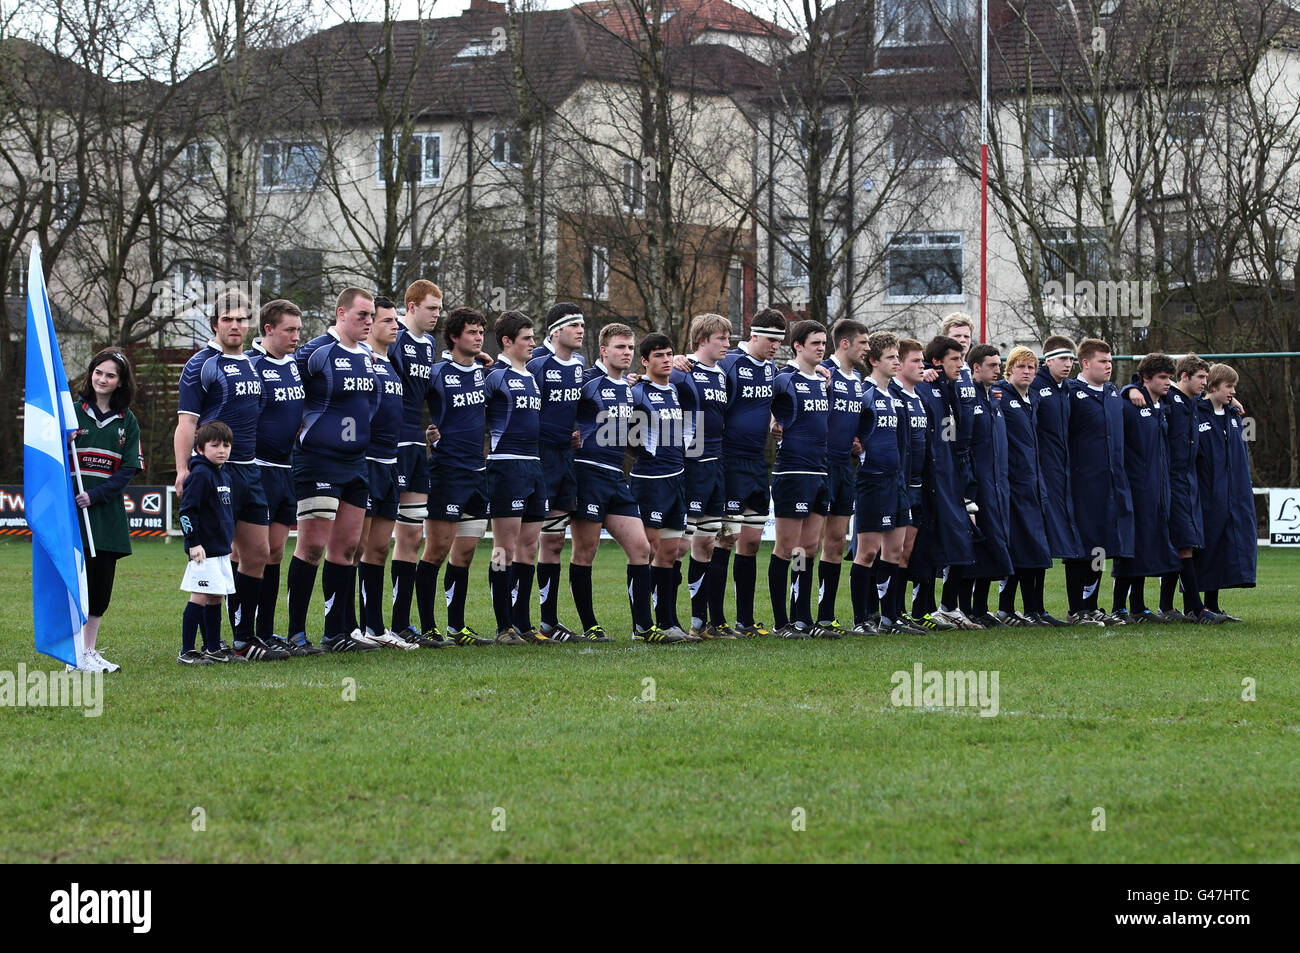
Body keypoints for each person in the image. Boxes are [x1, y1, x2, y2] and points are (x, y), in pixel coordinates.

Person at [174, 289, 281, 659]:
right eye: (227, 320)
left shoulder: (253, 362)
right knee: (218, 556)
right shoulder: (201, 364)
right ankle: (210, 644)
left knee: (259, 554)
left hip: (251, 471)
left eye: (241, 319)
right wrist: (183, 469)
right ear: (215, 324)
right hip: (216, 473)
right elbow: (187, 423)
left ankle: (243, 637)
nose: (235, 326)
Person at [285, 287, 381, 652]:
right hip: (318, 461)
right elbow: (284, 383)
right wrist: (298, 426)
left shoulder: (368, 357)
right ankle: (295, 633)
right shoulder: (316, 351)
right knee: (311, 547)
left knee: (347, 548)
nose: (368, 321)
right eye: (362, 315)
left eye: (371, 315)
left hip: (356, 463)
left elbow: (367, 405)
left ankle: (336, 632)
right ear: (341, 313)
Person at [569, 323, 658, 641]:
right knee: (585, 551)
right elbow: (559, 410)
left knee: (642, 547)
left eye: (631, 348)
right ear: (604, 350)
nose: (627, 353)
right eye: (620, 347)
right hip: (587, 474)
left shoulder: (629, 388)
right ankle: (590, 625)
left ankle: (643, 628)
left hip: (615, 477)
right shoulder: (587, 381)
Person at [420, 307, 494, 645]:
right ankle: (426, 626)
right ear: (454, 337)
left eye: (481, 332)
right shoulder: (436, 372)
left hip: (478, 474)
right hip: (447, 472)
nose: (478, 338)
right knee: (436, 551)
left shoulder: (485, 371)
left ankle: (457, 627)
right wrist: (425, 434)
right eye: (472, 333)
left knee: (463, 554)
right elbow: (409, 405)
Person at [483, 311, 556, 644]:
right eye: (526, 338)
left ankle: (524, 625)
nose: (532, 343)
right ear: (507, 341)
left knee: (528, 547)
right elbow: (471, 416)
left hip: (534, 466)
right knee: (504, 549)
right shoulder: (493, 376)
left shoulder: (530, 375)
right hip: (506, 467)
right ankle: (503, 627)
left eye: (533, 337)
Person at [246, 299, 313, 654]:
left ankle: (266, 631)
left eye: (299, 330)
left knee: (274, 553)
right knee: (249, 555)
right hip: (255, 470)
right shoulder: (250, 365)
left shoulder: (295, 366)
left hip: (287, 470)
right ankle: (242, 634)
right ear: (268, 329)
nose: (296, 337)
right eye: (289, 330)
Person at [68, 348, 142, 673]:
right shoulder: (70, 414)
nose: (103, 379)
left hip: (105, 515)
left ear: (120, 382)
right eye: (99, 372)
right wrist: (61, 438)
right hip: (72, 516)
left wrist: (95, 496)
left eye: (110, 375)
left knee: (100, 587)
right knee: (74, 584)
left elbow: (128, 470)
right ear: (91, 374)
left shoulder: (128, 421)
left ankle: (88, 650)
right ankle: (73, 653)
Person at [716, 308, 787, 636]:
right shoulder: (730, 364)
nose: (775, 346)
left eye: (780, 341)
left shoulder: (771, 369)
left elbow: (773, 404)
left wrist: (776, 421)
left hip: (758, 466)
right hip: (730, 466)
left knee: (753, 541)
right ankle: (715, 618)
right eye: (770, 339)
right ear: (753, 334)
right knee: (726, 537)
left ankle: (745, 620)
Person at [387, 279, 449, 648]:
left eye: (440, 310)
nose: (436, 316)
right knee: (373, 540)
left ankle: (400, 622)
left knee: (411, 535)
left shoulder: (428, 346)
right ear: (410, 307)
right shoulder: (392, 336)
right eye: (431, 309)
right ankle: (360, 624)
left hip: (415, 447)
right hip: (389, 445)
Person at [354, 296, 418, 649]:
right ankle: (347, 627)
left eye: (397, 320)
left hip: (389, 466)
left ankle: (375, 628)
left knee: (378, 550)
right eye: (388, 321)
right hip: (363, 465)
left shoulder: (392, 364)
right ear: (370, 325)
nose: (396, 326)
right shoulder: (360, 362)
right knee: (356, 546)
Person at [849, 332, 921, 635]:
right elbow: (848, 433)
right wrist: (858, 449)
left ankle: (891, 617)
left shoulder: (896, 396)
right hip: (872, 482)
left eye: (897, 357)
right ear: (874, 360)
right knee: (867, 552)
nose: (896, 362)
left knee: (896, 550)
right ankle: (862, 618)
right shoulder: (863, 394)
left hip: (897, 482)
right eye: (891, 357)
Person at [525, 303, 589, 641]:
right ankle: (516, 620)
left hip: (566, 459)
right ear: (555, 331)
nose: (581, 330)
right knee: (526, 543)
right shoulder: (536, 363)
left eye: (582, 325)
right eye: (574, 325)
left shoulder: (579, 365)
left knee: (554, 542)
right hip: (539, 460)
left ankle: (548, 622)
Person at [670, 313, 735, 639]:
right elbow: (651, 385)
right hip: (692, 466)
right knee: (678, 546)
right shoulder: (683, 372)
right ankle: (665, 618)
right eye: (721, 338)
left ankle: (700, 622)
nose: (727, 343)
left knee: (707, 543)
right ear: (701, 341)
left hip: (716, 466)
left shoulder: (723, 373)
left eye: (728, 338)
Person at [629, 333, 698, 642]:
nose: (667, 359)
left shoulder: (675, 390)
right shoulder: (636, 392)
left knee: (670, 555)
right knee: (646, 553)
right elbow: (624, 437)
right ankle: (641, 626)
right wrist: (645, 451)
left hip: (677, 480)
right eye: (659, 355)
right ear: (645, 361)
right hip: (650, 483)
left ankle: (668, 622)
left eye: (670, 354)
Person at [768, 320, 833, 638]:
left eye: (823, 343)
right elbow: (764, 408)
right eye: (815, 343)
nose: (821, 348)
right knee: (786, 547)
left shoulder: (823, 380)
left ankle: (803, 618)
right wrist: (771, 422)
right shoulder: (784, 379)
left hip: (820, 471)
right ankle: (781, 623)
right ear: (797, 346)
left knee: (808, 548)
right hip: (793, 472)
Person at [1065, 338, 1134, 626]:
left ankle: (1091, 606)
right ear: (1085, 363)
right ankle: (1076, 609)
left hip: (1111, 485)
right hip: (1082, 485)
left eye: (1110, 361)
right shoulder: (1070, 393)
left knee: (1101, 548)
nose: (1108, 366)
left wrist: (1131, 389)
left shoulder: (1113, 393)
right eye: (1103, 361)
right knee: (1081, 548)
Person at [1112, 352, 1181, 623]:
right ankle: (1119, 607)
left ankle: (1138, 607)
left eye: (1170, 378)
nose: (1167, 383)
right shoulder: (1128, 404)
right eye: (1162, 378)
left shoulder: (1162, 405)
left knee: (1147, 549)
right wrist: (1128, 389)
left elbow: (1195, 398)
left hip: (1158, 489)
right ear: (1146, 379)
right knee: (1130, 549)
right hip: (1135, 489)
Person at [891, 338, 953, 630]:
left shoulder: (919, 398)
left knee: (907, 550)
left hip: (919, 486)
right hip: (896, 486)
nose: (922, 366)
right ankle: (881, 612)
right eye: (916, 361)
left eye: (922, 361)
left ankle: (901, 612)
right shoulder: (893, 395)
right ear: (899, 364)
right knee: (885, 550)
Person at [992, 346, 1057, 626]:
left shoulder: (1033, 400)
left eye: (1032, 367)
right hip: (1013, 484)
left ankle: (1036, 609)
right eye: (1022, 367)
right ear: (1009, 370)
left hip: (1034, 484)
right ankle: (1006, 608)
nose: (1028, 372)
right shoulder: (999, 396)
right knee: (1017, 549)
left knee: (1037, 548)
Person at [1159, 355, 1225, 623]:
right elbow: (1140, 387)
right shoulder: (1169, 399)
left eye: (1207, 379)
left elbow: (1215, 402)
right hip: (1172, 481)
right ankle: (1196, 608)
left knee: (1186, 543)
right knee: (1184, 543)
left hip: (1189, 482)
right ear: (1184, 377)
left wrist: (1231, 402)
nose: (1204, 383)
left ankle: (1170, 606)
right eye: (1200, 378)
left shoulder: (1194, 403)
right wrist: (1130, 391)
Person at [917, 335, 976, 628]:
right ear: (937, 361)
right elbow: (926, 441)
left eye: (962, 358)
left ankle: (947, 607)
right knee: (926, 545)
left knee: (961, 539)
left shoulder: (947, 388)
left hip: (951, 478)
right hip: (932, 480)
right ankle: (917, 611)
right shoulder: (926, 389)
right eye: (955, 359)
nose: (960, 365)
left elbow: (949, 437)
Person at [814, 319, 868, 637]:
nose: (867, 348)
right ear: (845, 343)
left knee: (836, 542)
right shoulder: (823, 372)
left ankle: (826, 615)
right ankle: (798, 615)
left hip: (844, 468)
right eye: (863, 342)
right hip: (819, 465)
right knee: (806, 544)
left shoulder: (857, 379)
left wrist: (858, 438)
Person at [1193, 364, 1256, 619]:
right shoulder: (1196, 413)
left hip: (1232, 494)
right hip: (1207, 493)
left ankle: (1213, 604)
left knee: (1224, 547)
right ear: (1213, 386)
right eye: (1228, 386)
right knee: (1204, 549)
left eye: (1234, 387)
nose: (1232, 391)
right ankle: (1192, 605)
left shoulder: (1233, 416)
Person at [1031, 335, 1087, 623]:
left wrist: (1128, 390)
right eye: (1063, 359)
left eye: (1071, 360)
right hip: (1040, 476)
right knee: (1037, 540)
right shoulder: (1035, 387)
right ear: (1047, 360)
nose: (1068, 365)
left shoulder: (1067, 389)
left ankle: (1076, 607)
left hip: (1063, 477)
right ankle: (1031, 608)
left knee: (1067, 542)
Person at [176, 421, 238, 665]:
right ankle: (187, 651)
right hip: (203, 551)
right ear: (200, 449)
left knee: (216, 597)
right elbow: (187, 512)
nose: (222, 450)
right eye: (215, 445)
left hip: (221, 549)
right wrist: (194, 543)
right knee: (199, 597)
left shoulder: (224, 473)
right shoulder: (200, 474)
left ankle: (213, 647)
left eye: (226, 445)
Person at [962, 344, 1012, 628]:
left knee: (993, 545)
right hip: (977, 486)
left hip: (998, 485)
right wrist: (968, 488)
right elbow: (964, 446)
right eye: (992, 365)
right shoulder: (969, 400)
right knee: (976, 546)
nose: (998, 370)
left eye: (999, 364)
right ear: (976, 368)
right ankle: (963, 608)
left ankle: (981, 609)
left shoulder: (995, 398)